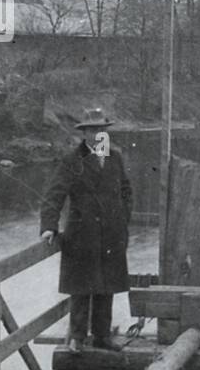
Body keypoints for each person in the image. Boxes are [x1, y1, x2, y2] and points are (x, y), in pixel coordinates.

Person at [39, 108, 133, 352]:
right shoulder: (72, 160)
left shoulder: (116, 158)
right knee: (81, 289)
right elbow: (53, 195)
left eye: (102, 130)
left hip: (111, 234)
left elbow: (126, 192)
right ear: (84, 134)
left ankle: (103, 336)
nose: (98, 134)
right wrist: (49, 227)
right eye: (93, 130)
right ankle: (77, 339)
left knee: (107, 286)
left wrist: (123, 222)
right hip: (82, 235)